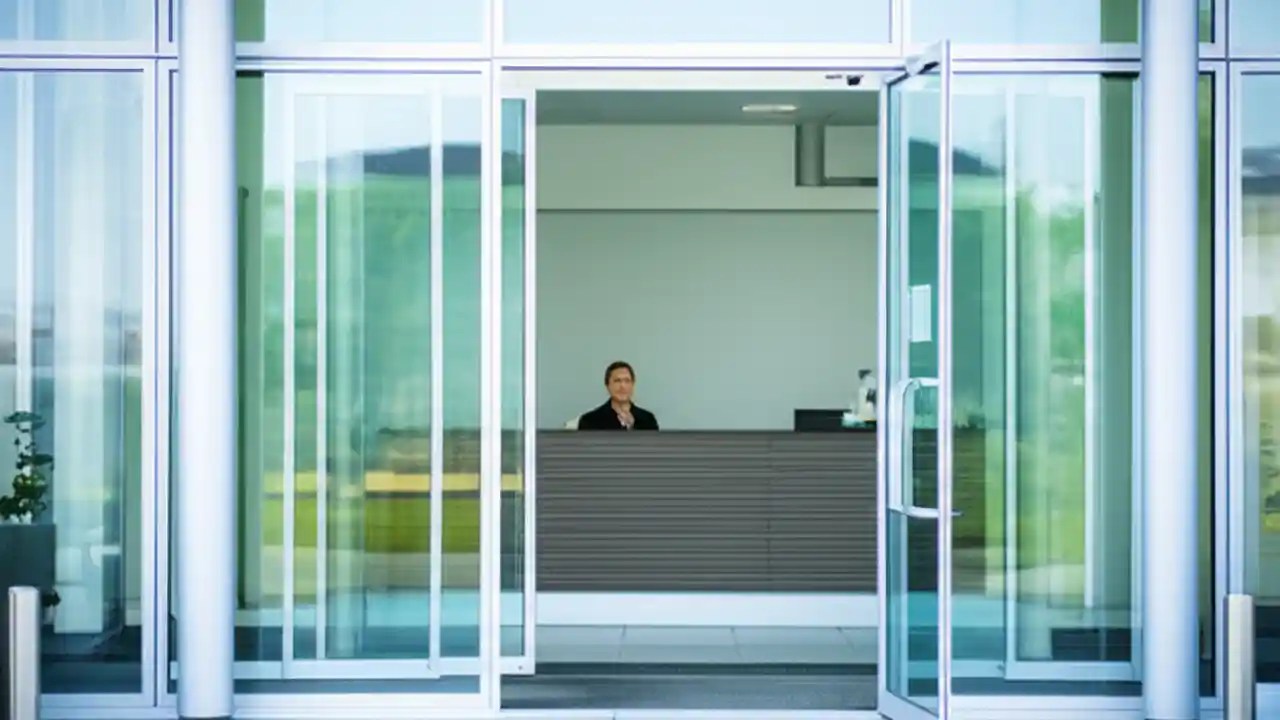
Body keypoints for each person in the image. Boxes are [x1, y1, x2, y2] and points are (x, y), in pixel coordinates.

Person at [577, 361, 659, 431]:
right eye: (617, 381)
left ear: (633, 385)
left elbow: (654, 448)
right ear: (607, 385)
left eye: (627, 381)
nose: (622, 386)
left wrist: (631, 427)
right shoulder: (589, 420)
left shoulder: (648, 420)